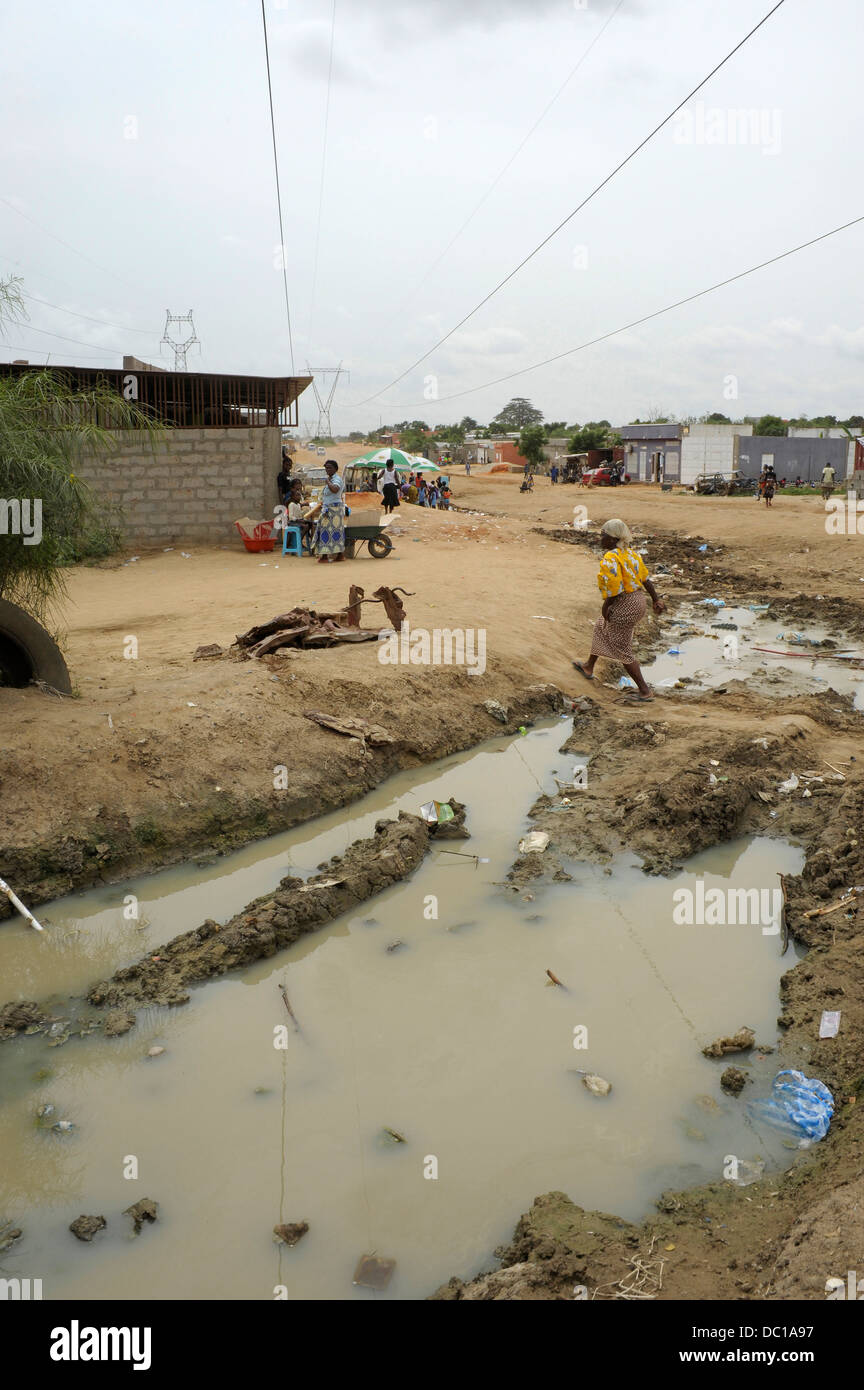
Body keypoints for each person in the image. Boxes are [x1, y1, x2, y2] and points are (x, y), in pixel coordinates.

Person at [573, 519, 666, 703]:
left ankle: (645, 691)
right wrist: (655, 599)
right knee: (601, 625)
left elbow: (614, 587)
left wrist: (606, 605)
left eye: (603, 535)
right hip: (638, 602)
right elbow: (645, 579)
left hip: (625, 603)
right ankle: (588, 666)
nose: (600, 538)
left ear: (612, 538)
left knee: (622, 648)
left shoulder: (611, 557)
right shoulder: (630, 554)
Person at [314, 460, 346, 563]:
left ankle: (324, 556)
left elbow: (335, 489)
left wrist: (328, 482)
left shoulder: (336, 479)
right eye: (326, 468)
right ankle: (339, 555)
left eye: (330, 468)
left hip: (334, 510)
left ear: (335, 469)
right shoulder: (331, 478)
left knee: (326, 532)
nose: (327, 470)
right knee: (333, 532)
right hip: (330, 509)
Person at [287, 479, 314, 550]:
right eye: (297, 496)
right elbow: (291, 517)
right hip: (292, 522)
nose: (299, 497)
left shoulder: (298, 505)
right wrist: (299, 520)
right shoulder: (291, 505)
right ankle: (298, 542)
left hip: (298, 520)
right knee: (305, 526)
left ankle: (313, 542)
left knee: (311, 524)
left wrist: (302, 519)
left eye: (299, 496)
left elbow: (300, 514)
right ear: (293, 497)